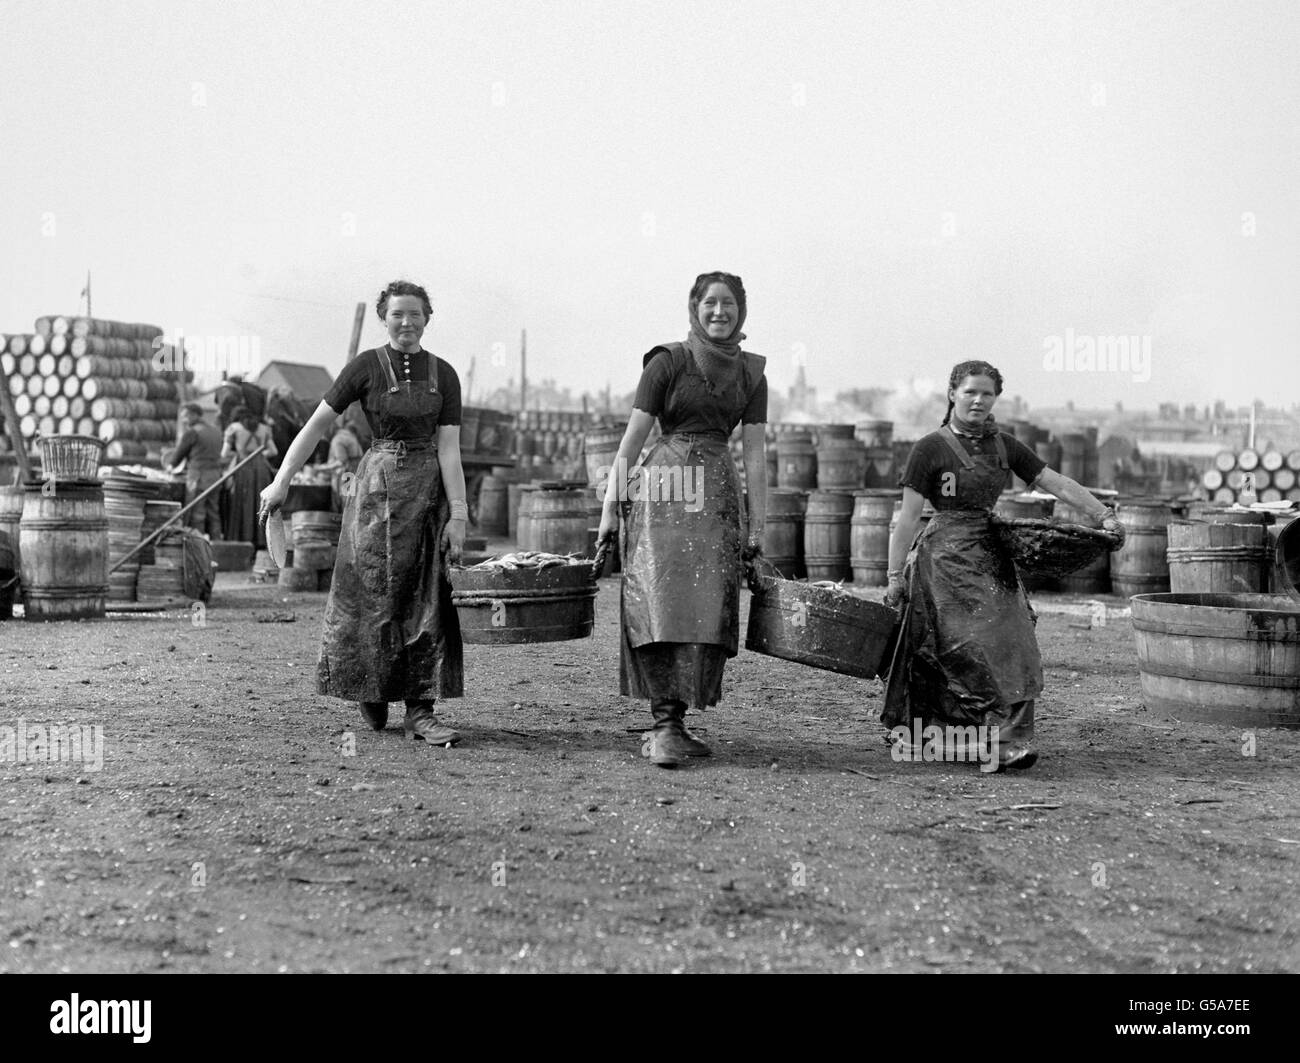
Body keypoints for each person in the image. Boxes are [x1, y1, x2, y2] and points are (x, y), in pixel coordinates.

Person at [881, 360, 1125, 771]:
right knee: (954, 647)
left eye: (988, 394)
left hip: (989, 555)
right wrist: (892, 576)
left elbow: (1055, 483)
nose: (979, 400)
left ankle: (1008, 740)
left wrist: (1104, 515)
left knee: (1015, 642)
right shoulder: (929, 448)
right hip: (941, 561)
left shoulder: (1004, 445)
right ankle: (936, 735)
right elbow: (907, 518)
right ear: (953, 394)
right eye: (971, 391)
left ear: (996, 398)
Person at [259, 280, 467, 745]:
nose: (407, 323)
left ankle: (420, 710)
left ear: (427, 319)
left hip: (428, 491)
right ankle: (369, 688)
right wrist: (281, 480)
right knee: (370, 589)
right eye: (397, 314)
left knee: (426, 593)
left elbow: (450, 451)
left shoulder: (445, 375)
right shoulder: (364, 367)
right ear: (384, 317)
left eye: (415, 315)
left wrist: (459, 514)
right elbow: (315, 426)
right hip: (375, 490)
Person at [596, 271, 768, 768]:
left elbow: (755, 457)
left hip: (715, 490)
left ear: (742, 311)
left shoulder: (752, 374)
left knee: (708, 603)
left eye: (730, 304)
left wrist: (758, 528)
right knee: (659, 596)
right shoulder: (668, 362)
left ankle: (674, 724)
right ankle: (664, 724)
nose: (720, 312)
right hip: (662, 489)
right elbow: (632, 441)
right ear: (694, 308)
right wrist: (611, 509)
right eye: (710, 303)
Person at [221, 404, 277, 547]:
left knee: (241, 502)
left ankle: (240, 540)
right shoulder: (265, 429)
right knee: (260, 503)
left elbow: (224, 453)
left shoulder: (234, 428)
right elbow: (273, 451)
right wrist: (259, 455)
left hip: (242, 468)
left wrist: (238, 454)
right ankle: (260, 541)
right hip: (261, 469)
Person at [169, 403, 224, 539]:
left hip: (198, 476)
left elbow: (178, 455)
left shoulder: (193, 432)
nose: (183, 420)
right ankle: (216, 542)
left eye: (186, 417)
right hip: (216, 476)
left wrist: (170, 466)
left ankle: (197, 542)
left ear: (194, 415)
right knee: (213, 512)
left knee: (197, 512)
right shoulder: (216, 431)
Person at [324, 416, 363, 512]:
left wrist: (322, 468)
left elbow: (341, 461)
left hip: (348, 472)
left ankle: (342, 522)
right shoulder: (349, 435)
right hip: (357, 470)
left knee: (346, 500)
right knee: (352, 499)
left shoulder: (338, 439)